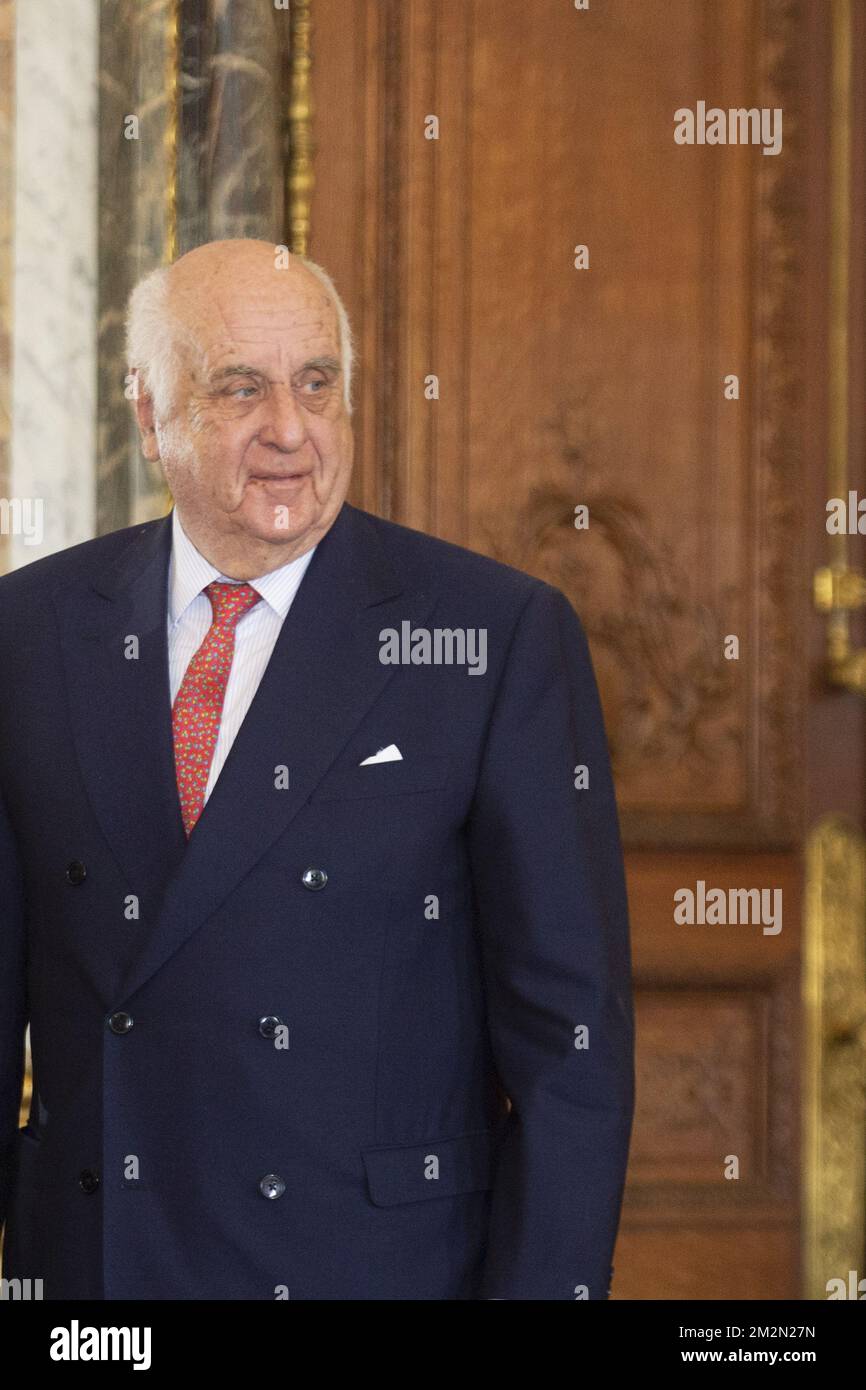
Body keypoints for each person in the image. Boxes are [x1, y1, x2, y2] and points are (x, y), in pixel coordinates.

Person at [0, 239, 634, 1300]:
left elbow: (569, 1043)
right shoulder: (28, 633)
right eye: (239, 388)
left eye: (316, 384)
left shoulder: (488, 634)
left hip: (374, 1268)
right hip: (102, 1278)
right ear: (150, 414)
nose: (288, 431)